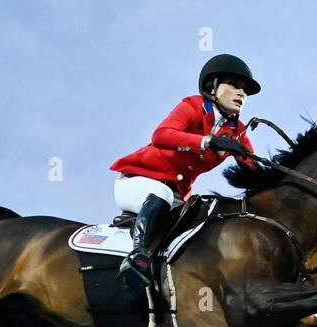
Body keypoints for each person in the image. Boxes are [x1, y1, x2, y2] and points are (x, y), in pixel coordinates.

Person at [109, 53, 260, 292]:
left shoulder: (236, 130)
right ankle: (137, 258)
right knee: (161, 194)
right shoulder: (193, 105)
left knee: (200, 220)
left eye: (245, 91)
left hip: (178, 196)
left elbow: (255, 171)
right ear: (213, 86)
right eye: (234, 85)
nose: (242, 93)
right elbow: (161, 136)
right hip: (138, 180)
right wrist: (209, 142)